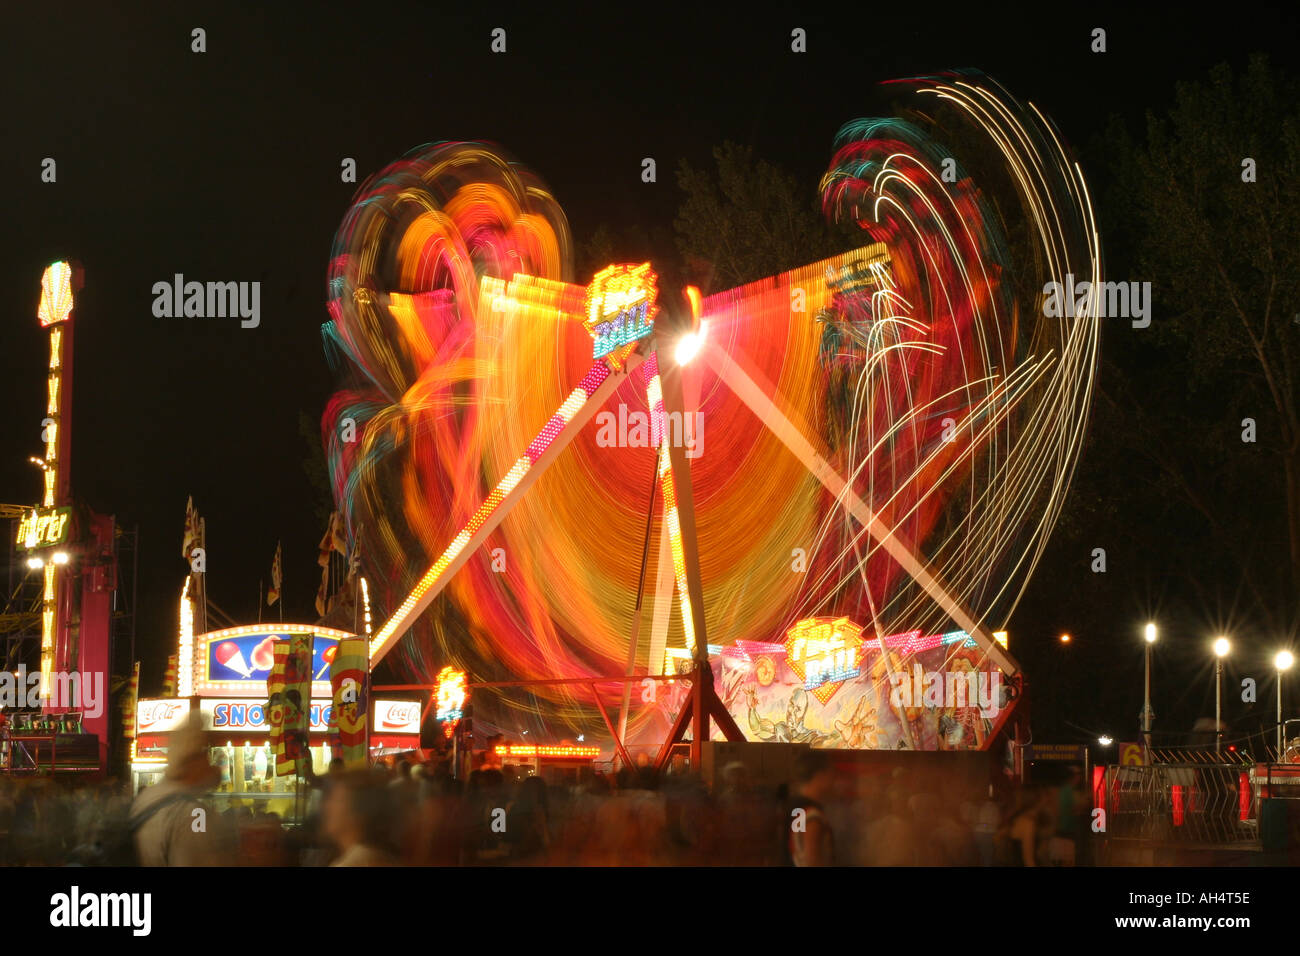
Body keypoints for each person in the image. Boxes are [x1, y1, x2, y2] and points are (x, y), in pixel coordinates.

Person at [130, 712, 234, 866]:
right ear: (192, 762)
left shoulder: (147, 798)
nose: (209, 763)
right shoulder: (194, 814)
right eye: (204, 755)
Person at [323, 771, 396, 866]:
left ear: (356, 814)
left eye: (336, 800)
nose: (327, 806)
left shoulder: (352, 863)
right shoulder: (382, 857)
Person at [785, 750, 835, 866]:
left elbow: (798, 846)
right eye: (831, 772)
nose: (833, 779)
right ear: (820, 776)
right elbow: (812, 860)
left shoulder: (797, 808)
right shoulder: (812, 816)